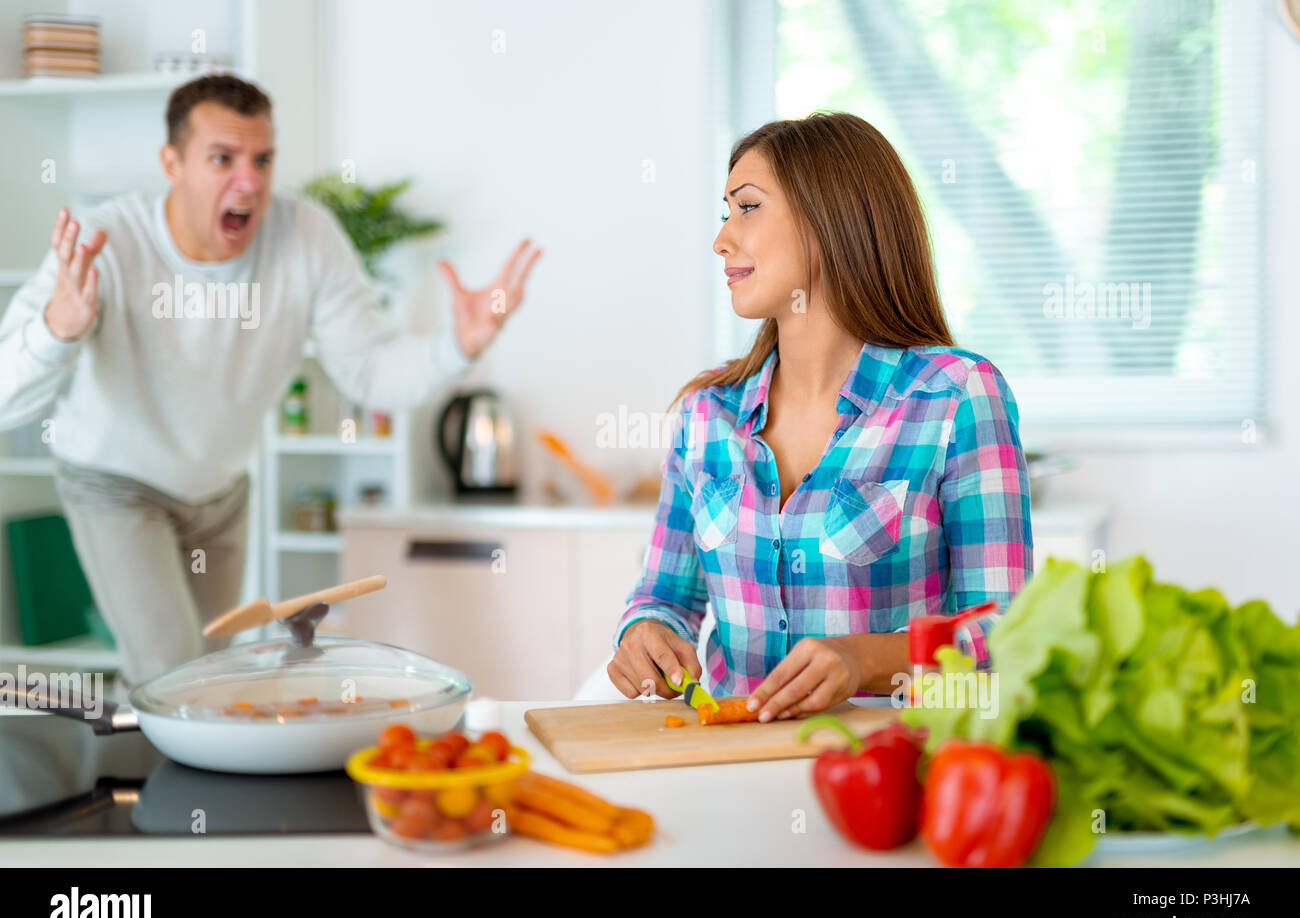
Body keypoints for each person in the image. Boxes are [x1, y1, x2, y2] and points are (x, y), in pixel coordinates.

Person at [0, 74, 541, 687]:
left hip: (220, 493)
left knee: (216, 677)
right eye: (223, 159)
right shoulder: (106, 241)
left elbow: (370, 371)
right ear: (170, 163)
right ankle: (132, 775)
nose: (250, 182)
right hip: (115, 482)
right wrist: (58, 328)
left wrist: (455, 345)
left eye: (262, 159)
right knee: (171, 676)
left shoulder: (306, 237)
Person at [609, 112, 1032, 721]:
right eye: (725, 212)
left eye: (747, 208)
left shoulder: (956, 396)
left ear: (829, 220)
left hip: (888, 768)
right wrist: (644, 630)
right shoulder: (707, 416)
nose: (722, 239)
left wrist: (866, 660)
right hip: (727, 765)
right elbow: (665, 594)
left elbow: (1008, 638)